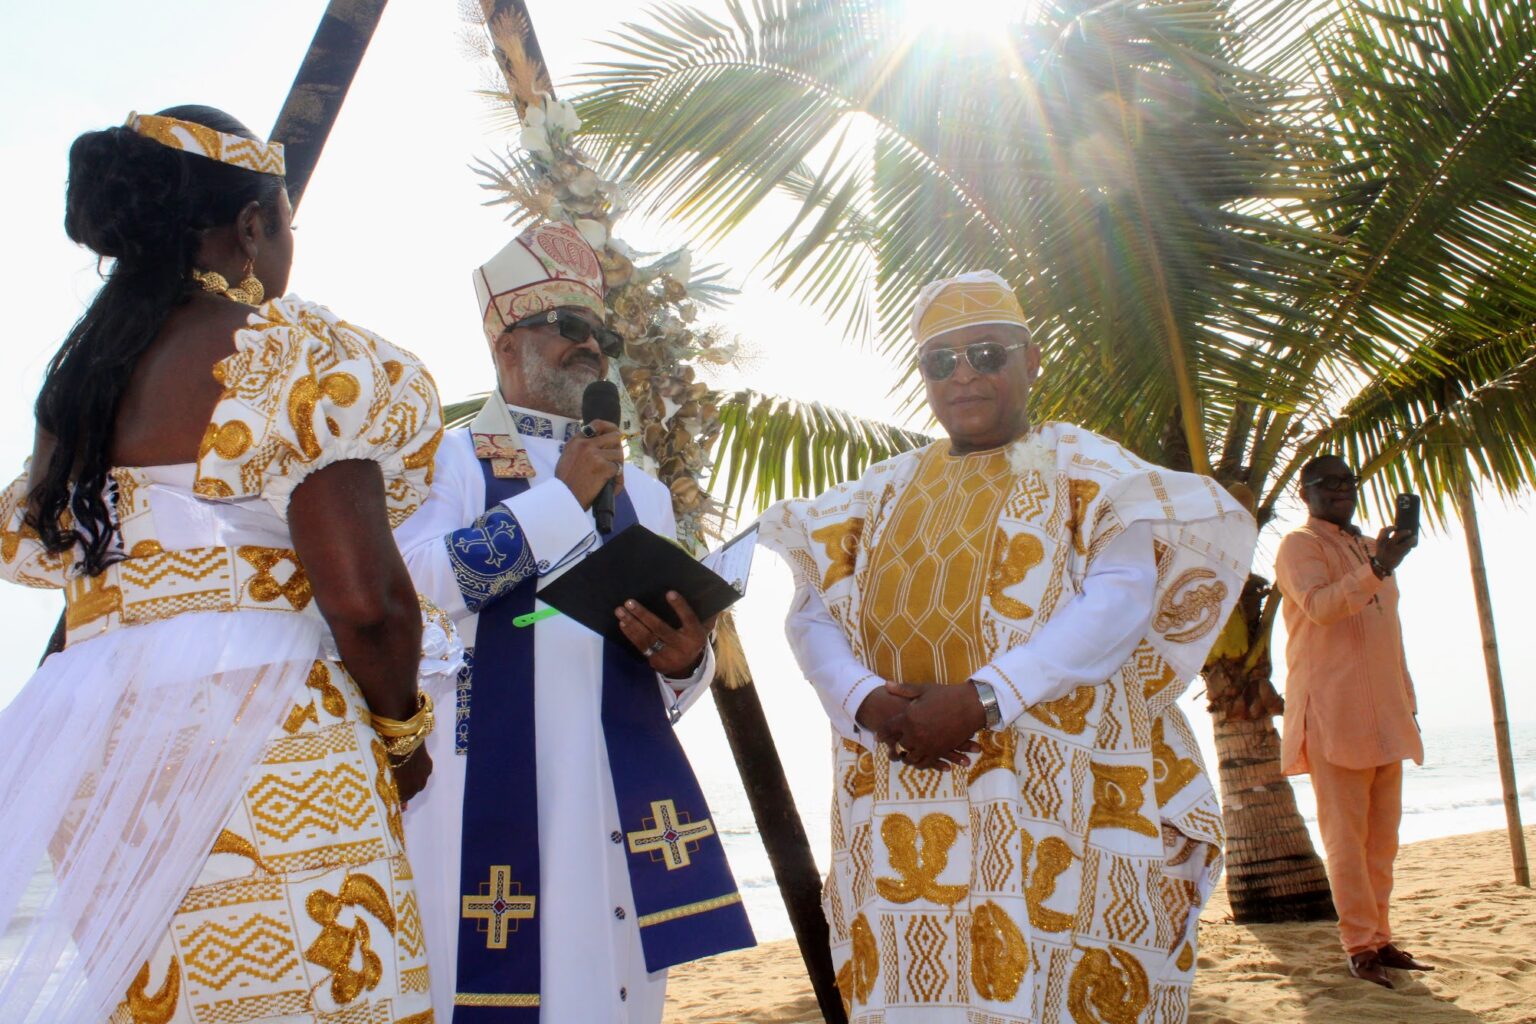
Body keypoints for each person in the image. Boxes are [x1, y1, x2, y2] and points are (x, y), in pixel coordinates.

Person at [0, 107, 452, 1023]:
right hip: (265, 727)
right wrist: (402, 738)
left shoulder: (77, 384)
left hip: (96, 746)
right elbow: (367, 603)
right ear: (251, 228)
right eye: (286, 224)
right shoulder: (288, 356)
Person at [759, 271, 1257, 1022]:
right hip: (898, 794)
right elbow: (809, 611)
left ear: (1032, 361)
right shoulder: (874, 493)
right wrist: (866, 702)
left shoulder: (1088, 471)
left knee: (1052, 990)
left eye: (986, 353)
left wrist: (985, 697)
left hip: (1050, 796)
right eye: (940, 360)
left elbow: (1118, 601)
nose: (963, 374)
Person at [395, 221, 753, 1023]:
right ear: (504, 347)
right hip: (474, 800)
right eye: (568, 328)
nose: (591, 345)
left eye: (600, 332)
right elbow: (410, 593)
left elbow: (656, 676)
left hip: (613, 798)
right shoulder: (445, 462)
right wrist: (561, 500)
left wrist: (682, 662)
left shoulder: (645, 493)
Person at [1275, 454, 1427, 988]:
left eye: (1349, 481)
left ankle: (1382, 939)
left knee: (1382, 841)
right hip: (1333, 715)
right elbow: (1319, 606)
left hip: (1386, 715)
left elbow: (1392, 636)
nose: (1342, 490)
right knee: (1346, 841)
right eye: (1329, 483)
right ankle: (1360, 946)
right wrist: (1379, 567)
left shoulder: (1368, 547)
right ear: (1305, 491)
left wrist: (1407, 702)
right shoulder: (1300, 546)